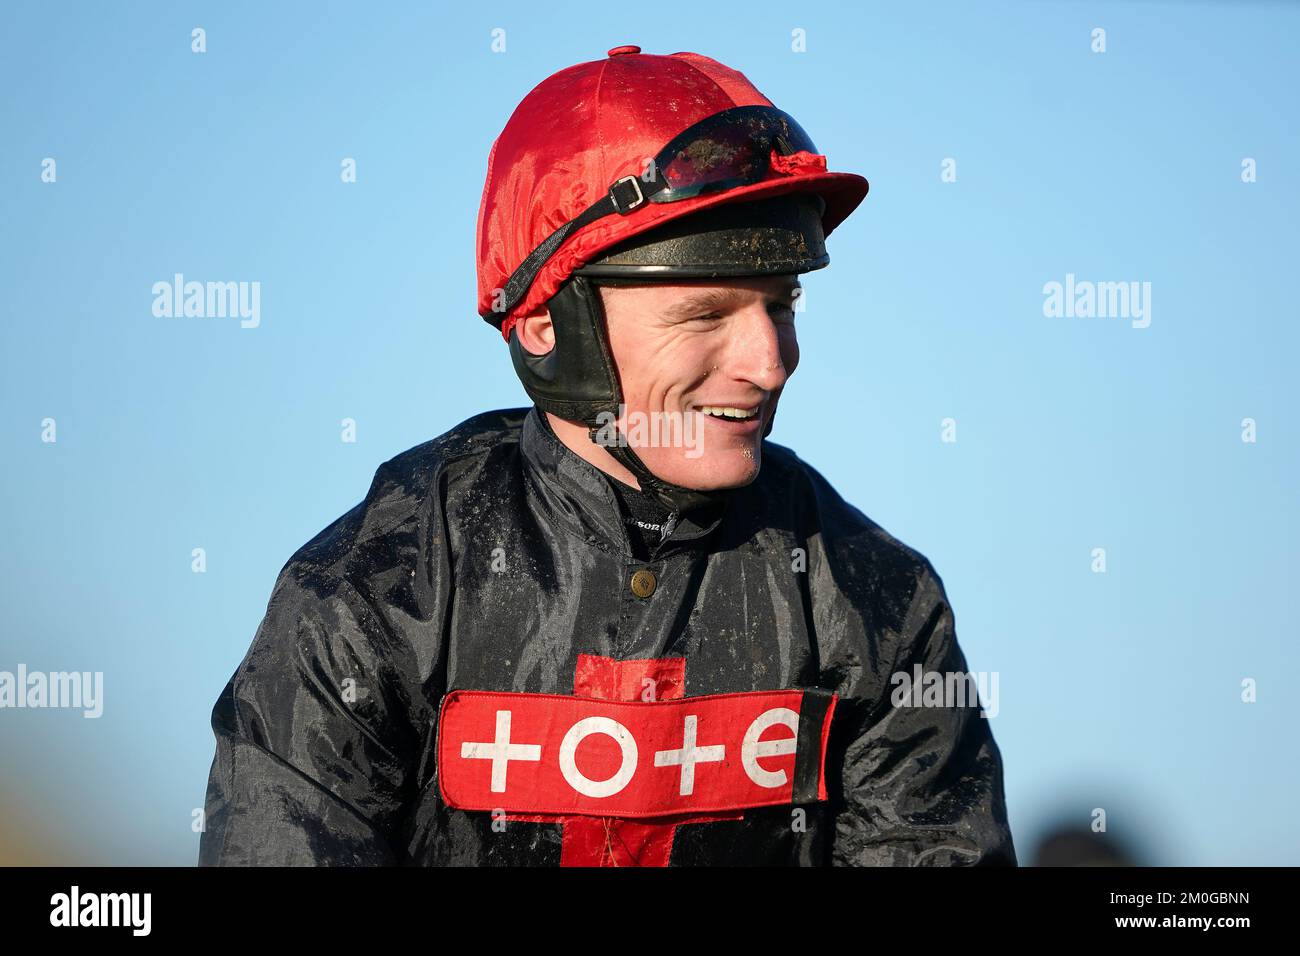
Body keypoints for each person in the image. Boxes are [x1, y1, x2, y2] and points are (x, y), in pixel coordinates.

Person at [198, 45, 1016, 867]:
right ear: (548, 327)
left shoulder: (878, 598)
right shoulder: (375, 590)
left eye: (780, 304)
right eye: (705, 315)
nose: (769, 364)